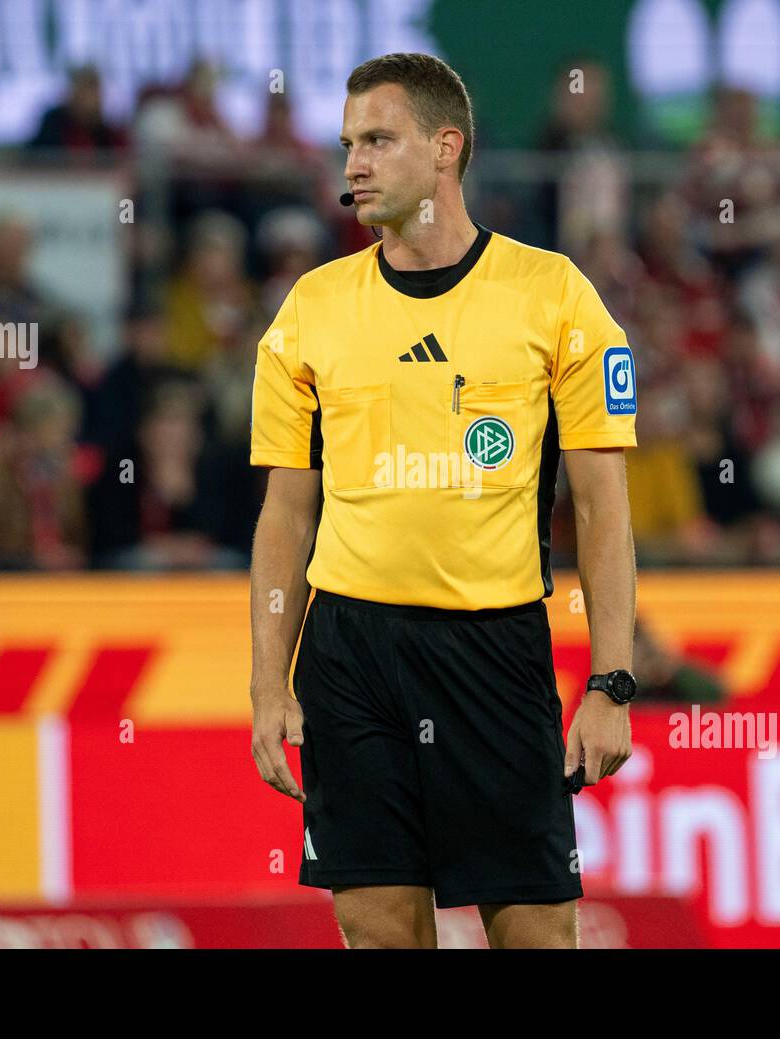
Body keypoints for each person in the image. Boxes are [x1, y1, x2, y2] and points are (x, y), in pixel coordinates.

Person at [248, 53, 638, 950]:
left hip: (493, 650)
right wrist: (269, 681)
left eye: (379, 140)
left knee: (538, 936)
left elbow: (604, 510)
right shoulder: (311, 309)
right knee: (379, 934)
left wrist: (612, 679)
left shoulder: (555, 297)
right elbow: (285, 516)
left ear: (445, 149)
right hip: (351, 656)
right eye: (349, 143)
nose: (354, 163)